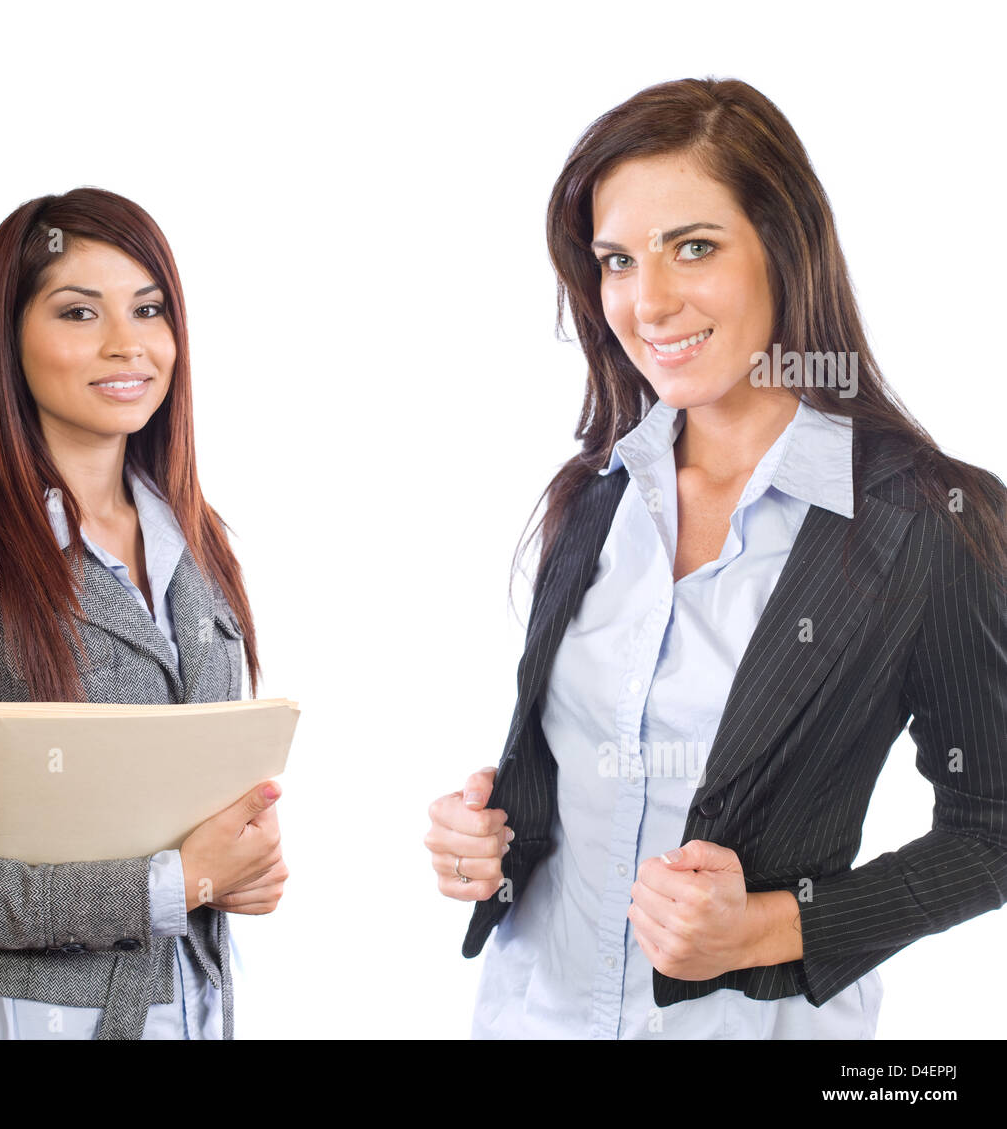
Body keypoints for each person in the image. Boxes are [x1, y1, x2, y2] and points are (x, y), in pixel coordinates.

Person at [425, 77, 1007, 1039]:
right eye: (617, 259)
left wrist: (768, 928)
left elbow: (993, 827)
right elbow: (593, 764)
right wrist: (485, 837)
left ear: (784, 247)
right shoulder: (598, 494)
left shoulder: (921, 520)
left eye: (693, 247)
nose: (647, 301)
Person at [0, 187, 287, 1039]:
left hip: (195, 1010)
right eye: (80, 311)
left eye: (149, 309)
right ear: (10, 339)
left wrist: (243, 868)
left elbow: (196, 808)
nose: (128, 344)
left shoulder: (198, 550)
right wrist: (172, 883)